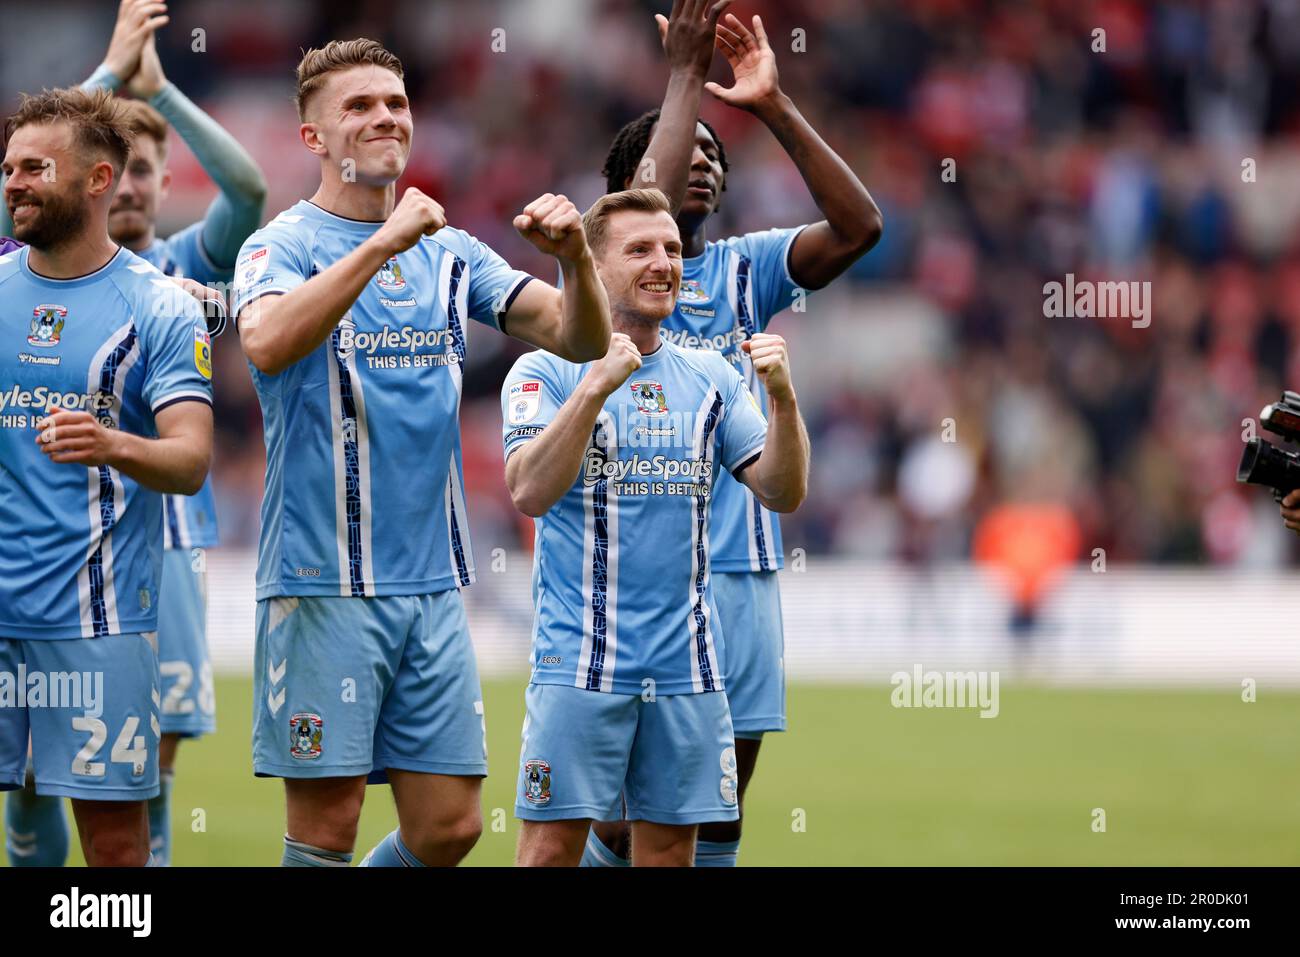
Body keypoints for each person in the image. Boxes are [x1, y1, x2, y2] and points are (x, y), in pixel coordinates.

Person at [230, 38, 610, 867]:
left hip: (433, 583)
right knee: (325, 828)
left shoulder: (450, 251)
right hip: (323, 581)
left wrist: (577, 257)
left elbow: (581, 336)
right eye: (359, 107)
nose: (383, 118)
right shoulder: (281, 245)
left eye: (396, 104)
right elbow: (262, 342)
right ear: (313, 139)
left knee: (452, 826)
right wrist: (380, 247)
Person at [587, 5, 882, 866]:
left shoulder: (743, 269)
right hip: (637, 571)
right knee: (618, 818)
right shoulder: (601, 284)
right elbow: (643, 200)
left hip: (740, 569)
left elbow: (861, 228)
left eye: (718, 157)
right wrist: (681, 76)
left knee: (717, 813)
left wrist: (774, 107)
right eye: (691, 153)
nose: (706, 166)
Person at [1, 0, 266, 867]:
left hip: (106, 611)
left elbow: (192, 460)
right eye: (8, 168)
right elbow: (61, 142)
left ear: (99, 181)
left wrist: (110, 441)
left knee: (121, 838)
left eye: (33, 169)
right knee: (27, 810)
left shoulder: (164, 298)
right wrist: (107, 75)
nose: (14, 183)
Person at [502, 188, 808, 866]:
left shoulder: (713, 375)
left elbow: (781, 491)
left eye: (671, 248)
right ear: (593, 265)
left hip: (687, 667)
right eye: (640, 249)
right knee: (549, 851)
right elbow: (528, 489)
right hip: (580, 663)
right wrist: (595, 386)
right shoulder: (545, 369)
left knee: (669, 854)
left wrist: (784, 399)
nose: (665, 262)